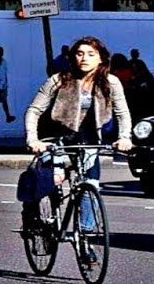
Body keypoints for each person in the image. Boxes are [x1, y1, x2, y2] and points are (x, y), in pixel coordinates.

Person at [22, 36, 133, 232]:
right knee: (52, 179)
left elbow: (122, 113)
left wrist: (124, 138)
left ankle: (86, 239)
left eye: (91, 54)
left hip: (89, 142)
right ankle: (34, 214)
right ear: (73, 57)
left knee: (90, 187)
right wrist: (33, 139)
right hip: (56, 141)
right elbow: (34, 111)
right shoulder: (58, 80)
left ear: (101, 59)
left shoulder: (110, 82)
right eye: (80, 53)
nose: (85, 58)